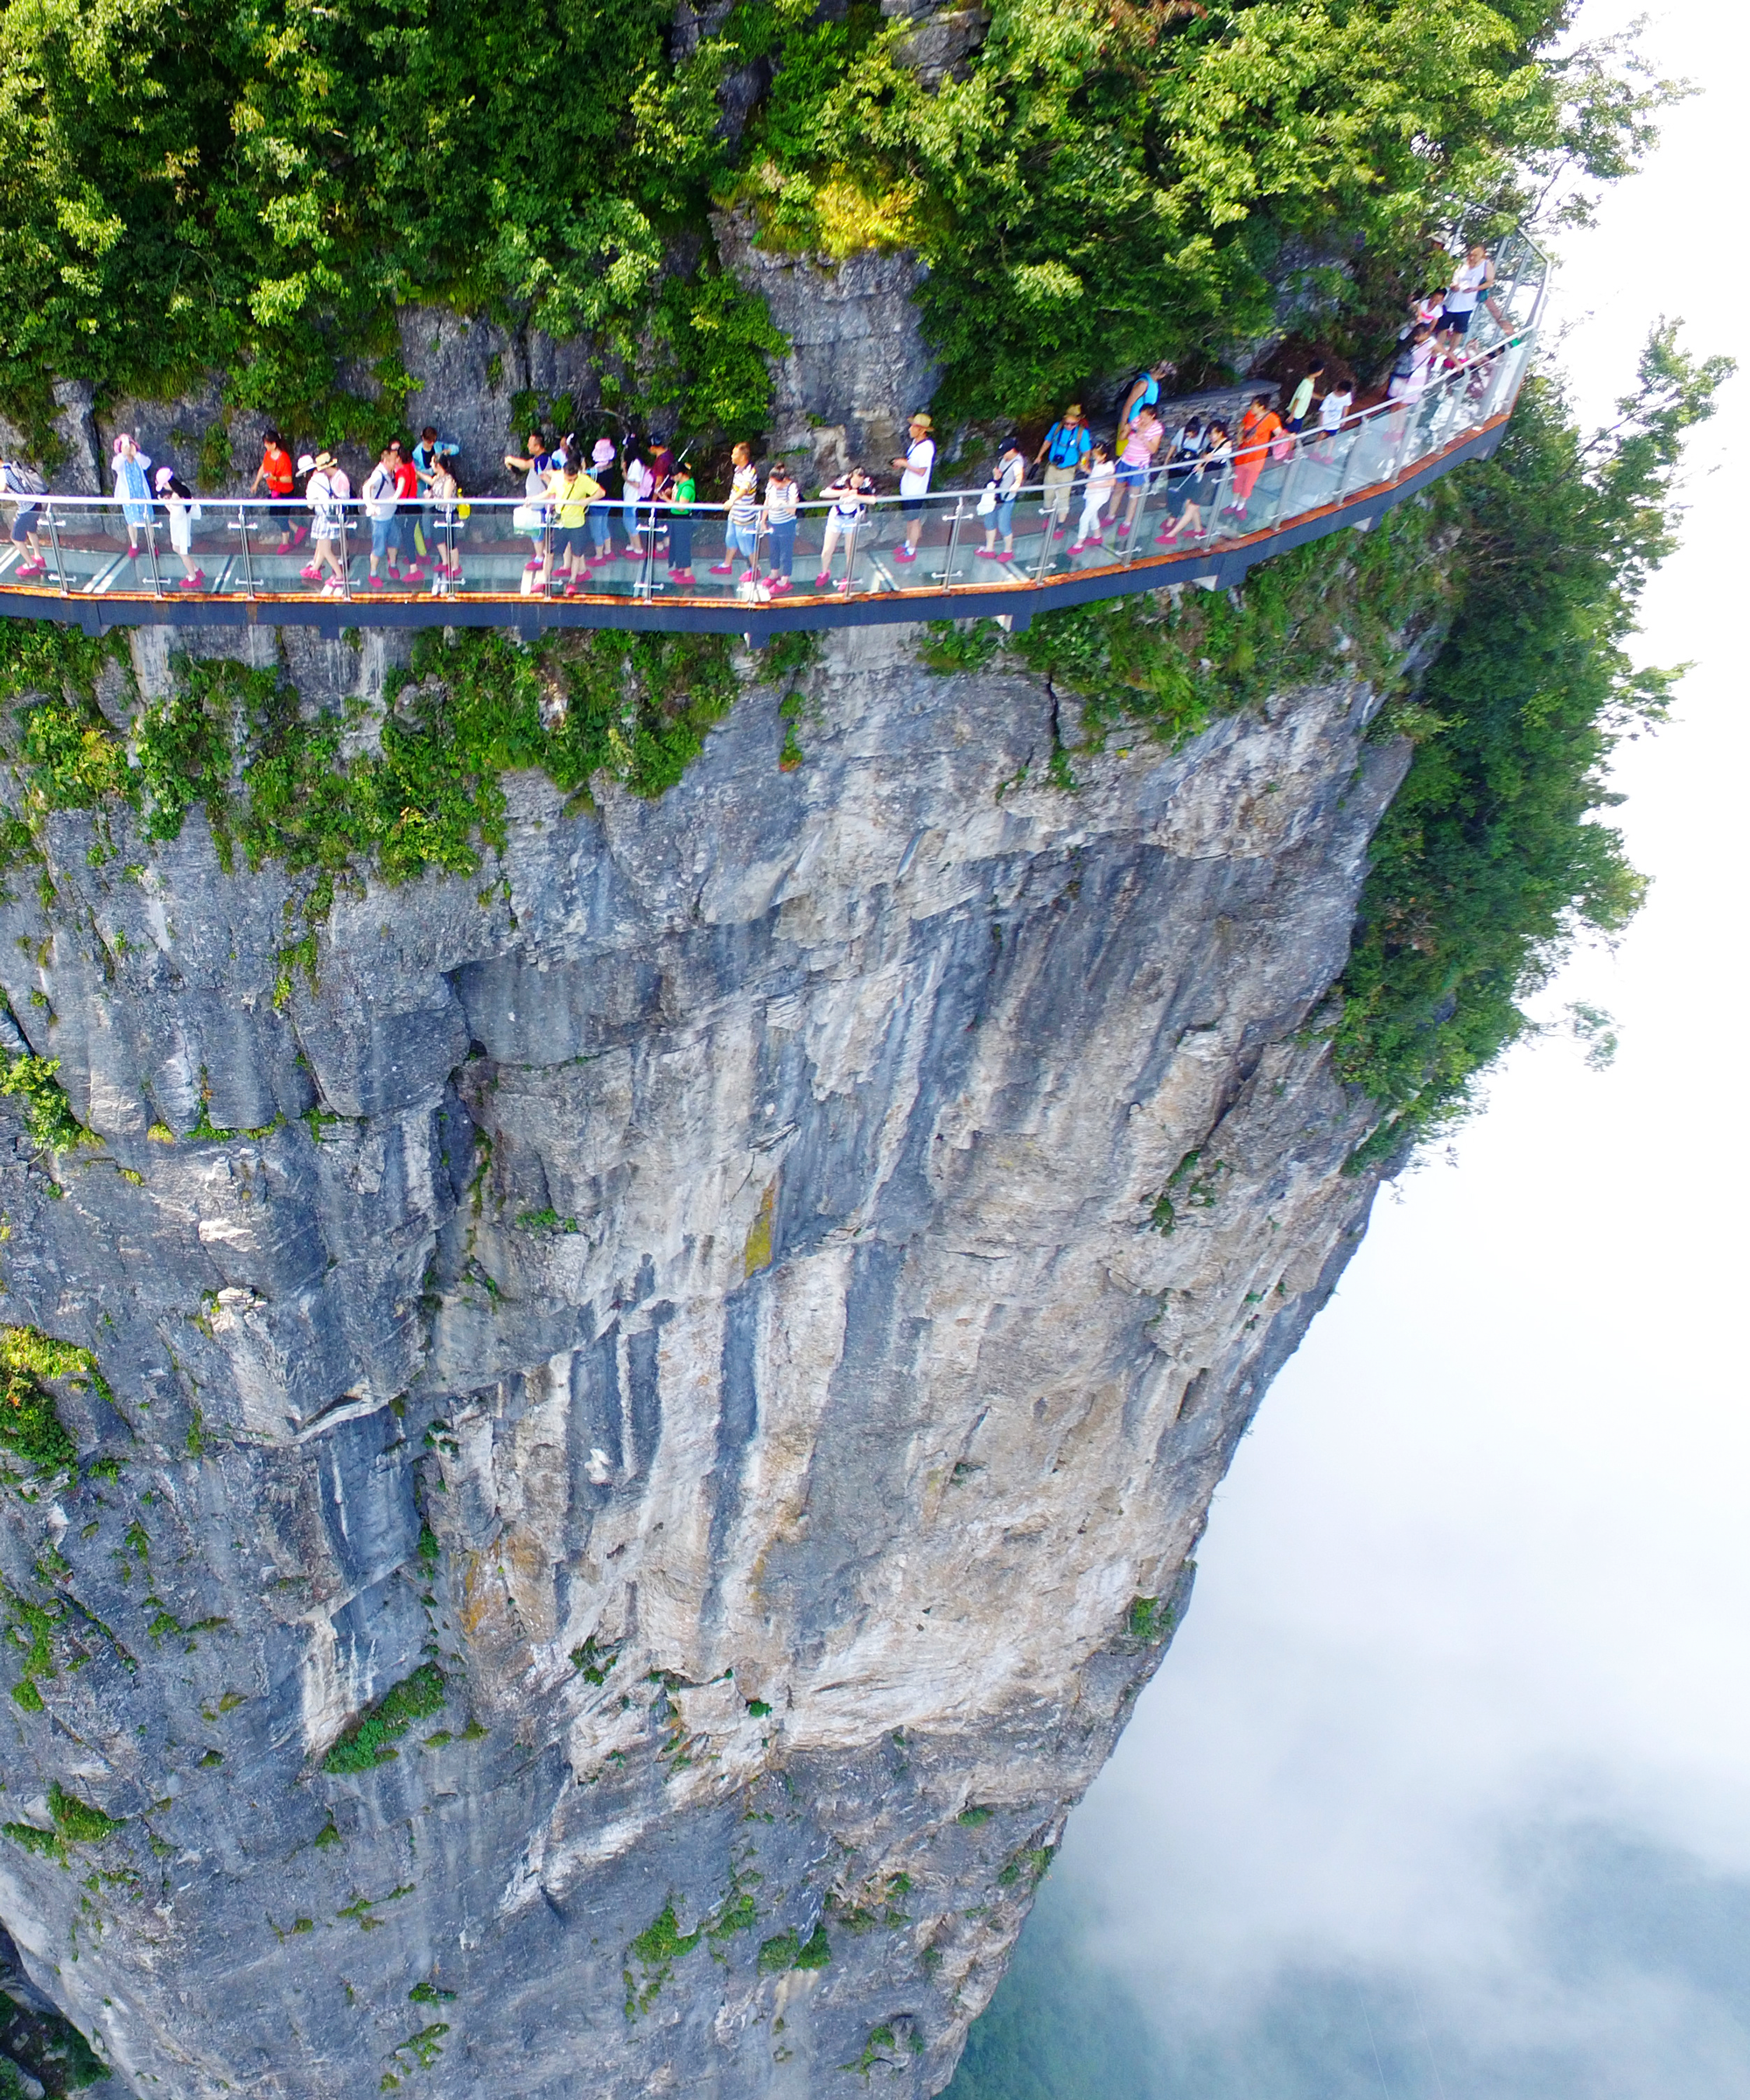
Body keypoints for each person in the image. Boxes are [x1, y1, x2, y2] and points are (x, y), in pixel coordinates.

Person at [546, 444, 604, 596]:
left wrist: (588, 500)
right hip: (560, 523)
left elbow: (600, 492)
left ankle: (572, 581)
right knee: (550, 551)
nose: (570, 482)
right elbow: (548, 492)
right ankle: (545, 580)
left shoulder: (583, 479)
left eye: (572, 480)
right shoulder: (558, 477)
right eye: (568, 479)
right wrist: (531, 499)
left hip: (577, 523)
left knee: (577, 553)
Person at [504, 428, 561, 580]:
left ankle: (539, 557)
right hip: (537, 498)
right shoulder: (543, 459)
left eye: (530, 444)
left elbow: (524, 464)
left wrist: (509, 458)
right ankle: (540, 552)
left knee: (536, 528)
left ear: (538, 446)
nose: (528, 447)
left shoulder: (541, 460)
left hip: (540, 500)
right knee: (537, 527)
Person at [814, 466, 874, 592]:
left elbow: (872, 500)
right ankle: (824, 572)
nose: (856, 485)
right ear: (851, 477)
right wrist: (844, 493)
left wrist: (857, 496)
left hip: (852, 519)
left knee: (850, 550)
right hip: (837, 517)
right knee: (827, 550)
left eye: (859, 483)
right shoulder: (843, 481)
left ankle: (848, 577)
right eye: (854, 482)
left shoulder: (865, 485)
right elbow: (823, 493)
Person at [1034, 403, 1091, 535]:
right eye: (1067, 423)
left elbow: (1086, 452)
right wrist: (1039, 456)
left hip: (1068, 470)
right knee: (1048, 494)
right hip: (1053, 467)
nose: (1069, 426)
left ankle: (1060, 525)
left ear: (1078, 422)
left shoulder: (1082, 433)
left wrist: (1083, 464)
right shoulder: (1057, 427)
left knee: (1063, 497)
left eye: (1072, 424)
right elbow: (1048, 441)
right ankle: (1049, 518)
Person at [1226, 396, 1283, 521]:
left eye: (1254, 405)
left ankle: (1241, 506)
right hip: (1243, 455)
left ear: (1261, 407)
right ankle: (1234, 504)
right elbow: (1242, 426)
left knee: (1248, 484)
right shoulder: (1250, 415)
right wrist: (1240, 435)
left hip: (1256, 458)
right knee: (1238, 480)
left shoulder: (1271, 419)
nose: (1251, 407)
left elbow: (1280, 434)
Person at [711, 441, 761, 582]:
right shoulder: (737, 469)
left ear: (743, 456)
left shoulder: (749, 472)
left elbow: (744, 489)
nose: (732, 456)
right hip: (734, 513)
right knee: (730, 539)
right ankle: (727, 564)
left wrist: (732, 501)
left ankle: (755, 569)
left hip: (744, 516)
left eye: (734, 454)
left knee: (745, 544)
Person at [299, 451, 348, 590]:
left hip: (323, 517)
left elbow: (310, 504)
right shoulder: (325, 478)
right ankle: (315, 569)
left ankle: (339, 576)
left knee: (325, 549)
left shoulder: (312, 483)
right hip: (330, 514)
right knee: (321, 546)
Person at [890, 412, 934, 563]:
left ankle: (911, 550)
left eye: (913, 426)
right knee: (909, 520)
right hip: (908, 489)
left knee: (914, 520)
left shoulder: (927, 447)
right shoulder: (915, 443)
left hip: (916, 491)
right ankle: (908, 544)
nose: (910, 429)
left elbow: (922, 471)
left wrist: (905, 464)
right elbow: (913, 464)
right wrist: (902, 464)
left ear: (922, 430)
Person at [1116, 405, 1164, 540]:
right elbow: (1122, 438)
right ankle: (1111, 516)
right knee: (1118, 488)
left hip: (1139, 464)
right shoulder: (1136, 420)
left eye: (1144, 417)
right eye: (1140, 416)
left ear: (1152, 416)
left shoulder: (1157, 429)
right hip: (1126, 460)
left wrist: (1143, 437)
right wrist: (1126, 430)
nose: (1141, 419)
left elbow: (1153, 449)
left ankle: (1127, 523)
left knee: (1133, 494)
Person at [1153, 417, 1204, 542]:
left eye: (1192, 433)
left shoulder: (1203, 436)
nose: (1189, 435)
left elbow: (1205, 453)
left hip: (1190, 472)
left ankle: (1172, 523)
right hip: (1177, 469)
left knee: (1183, 497)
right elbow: (1173, 446)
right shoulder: (1182, 432)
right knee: (1174, 494)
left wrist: (1201, 466)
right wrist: (1166, 463)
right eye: (1188, 432)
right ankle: (1198, 530)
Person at [361, 442, 404, 589]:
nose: (396, 462)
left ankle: (392, 564)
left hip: (390, 515)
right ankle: (372, 573)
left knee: (395, 541)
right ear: (385, 461)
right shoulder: (378, 475)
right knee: (378, 547)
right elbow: (367, 487)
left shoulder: (392, 472)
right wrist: (370, 505)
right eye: (393, 460)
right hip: (380, 519)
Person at [976, 437, 1027, 562]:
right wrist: (997, 476)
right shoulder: (1005, 459)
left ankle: (1008, 551)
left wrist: (1016, 484)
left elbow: (1018, 475)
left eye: (1005, 452)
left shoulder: (1017, 462)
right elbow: (1001, 477)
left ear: (1012, 450)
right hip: (996, 497)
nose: (1003, 455)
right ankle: (989, 549)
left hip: (1006, 499)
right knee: (989, 522)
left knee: (1004, 525)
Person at [152, 466, 204, 589]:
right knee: (177, 547)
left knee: (182, 551)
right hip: (181, 524)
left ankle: (193, 577)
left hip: (180, 526)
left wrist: (166, 504)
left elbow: (176, 514)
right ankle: (195, 569)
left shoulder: (176, 497)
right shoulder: (181, 491)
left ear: (166, 483)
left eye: (163, 485)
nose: (164, 488)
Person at [1438, 242, 1493, 355]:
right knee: (1442, 327)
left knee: (1459, 330)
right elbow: (1452, 278)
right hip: (1451, 301)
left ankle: (1450, 353)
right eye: (1471, 254)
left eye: (1476, 255)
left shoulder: (1486, 265)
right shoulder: (1462, 263)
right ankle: (1436, 352)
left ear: (1483, 254)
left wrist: (1475, 288)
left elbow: (1490, 282)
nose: (1472, 257)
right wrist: (1454, 285)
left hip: (1467, 305)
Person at [250, 428, 300, 549]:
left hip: (285, 491)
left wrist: (275, 478)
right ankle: (296, 529)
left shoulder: (284, 458)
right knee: (274, 514)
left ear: (274, 444)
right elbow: (263, 467)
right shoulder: (268, 454)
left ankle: (285, 542)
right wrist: (256, 483)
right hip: (275, 491)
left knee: (282, 516)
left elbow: (288, 479)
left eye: (267, 443)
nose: (265, 445)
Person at [1, 456, 50, 579]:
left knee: (16, 538)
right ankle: (38, 558)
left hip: (27, 508)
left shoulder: (3, 472)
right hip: (35, 503)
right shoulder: (11, 466)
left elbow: (1, 489)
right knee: (31, 530)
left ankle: (31, 565)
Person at [425, 454, 464, 594]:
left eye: (432, 463)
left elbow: (446, 500)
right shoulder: (438, 478)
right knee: (438, 538)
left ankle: (455, 566)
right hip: (437, 511)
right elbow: (431, 483)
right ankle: (445, 561)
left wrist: (432, 498)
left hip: (447, 513)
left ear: (438, 465)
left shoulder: (448, 480)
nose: (430, 465)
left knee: (451, 540)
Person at [1068, 441, 1116, 552]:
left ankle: (1079, 543)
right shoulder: (1098, 463)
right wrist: (1087, 470)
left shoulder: (1109, 466)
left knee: (1084, 518)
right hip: (1092, 493)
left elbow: (1112, 482)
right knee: (1092, 515)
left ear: (1104, 455)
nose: (1094, 457)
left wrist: (1095, 485)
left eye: (1096, 455)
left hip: (1099, 495)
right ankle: (1097, 536)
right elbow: (1096, 474)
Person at [112, 434, 153, 559]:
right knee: (131, 522)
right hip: (129, 498)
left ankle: (152, 545)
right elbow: (115, 466)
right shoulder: (120, 462)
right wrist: (123, 454)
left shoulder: (138, 460)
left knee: (149, 522)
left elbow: (147, 464)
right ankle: (134, 545)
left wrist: (136, 454)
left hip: (143, 496)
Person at [760, 461, 799, 592]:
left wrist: (782, 503)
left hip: (786, 525)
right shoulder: (771, 486)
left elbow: (793, 509)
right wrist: (763, 520)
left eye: (776, 483)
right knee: (773, 550)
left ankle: (785, 580)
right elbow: (767, 501)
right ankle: (774, 574)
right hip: (773, 523)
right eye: (772, 483)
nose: (774, 486)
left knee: (785, 553)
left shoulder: (791, 487)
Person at [1117, 360, 1175, 436]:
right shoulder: (1143, 384)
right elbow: (1128, 405)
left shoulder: (1155, 384)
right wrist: (1123, 427)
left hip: (1143, 424)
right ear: (1163, 374)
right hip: (1133, 424)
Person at [664, 458, 697, 584]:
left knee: (683, 545)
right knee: (676, 544)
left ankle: (688, 574)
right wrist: (669, 493)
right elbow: (676, 495)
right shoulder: (679, 483)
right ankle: (680, 568)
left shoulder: (687, 487)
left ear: (680, 474)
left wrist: (666, 500)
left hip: (682, 519)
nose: (672, 479)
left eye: (673, 477)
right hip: (675, 518)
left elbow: (682, 507)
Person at [586, 438, 619, 564]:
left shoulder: (595, 471)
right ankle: (608, 551)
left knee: (596, 530)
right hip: (607, 501)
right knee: (604, 527)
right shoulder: (610, 467)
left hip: (597, 503)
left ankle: (599, 556)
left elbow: (584, 475)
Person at [621, 440, 654, 558]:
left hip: (632, 498)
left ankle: (638, 548)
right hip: (628, 498)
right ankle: (632, 544)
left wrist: (626, 478)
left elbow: (637, 484)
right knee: (627, 521)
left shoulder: (636, 464)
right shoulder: (634, 463)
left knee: (630, 522)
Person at [1314, 371, 1355, 460]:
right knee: (1321, 436)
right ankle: (1315, 452)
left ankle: (1328, 455)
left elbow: (1346, 406)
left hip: (1335, 422)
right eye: (1342, 393)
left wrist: (1343, 419)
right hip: (1326, 421)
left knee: (1331, 438)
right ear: (1338, 389)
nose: (1343, 395)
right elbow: (1322, 411)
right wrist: (1321, 424)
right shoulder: (1329, 398)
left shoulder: (1347, 396)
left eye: (1344, 394)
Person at [1284, 360, 1324, 433]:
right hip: (1295, 415)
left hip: (1300, 414)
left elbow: (1309, 394)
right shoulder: (1306, 384)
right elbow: (1298, 399)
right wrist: (1292, 415)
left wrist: (1321, 398)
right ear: (1318, 371)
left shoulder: (1311, 381)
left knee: (1294, 434)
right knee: (1291, 435)